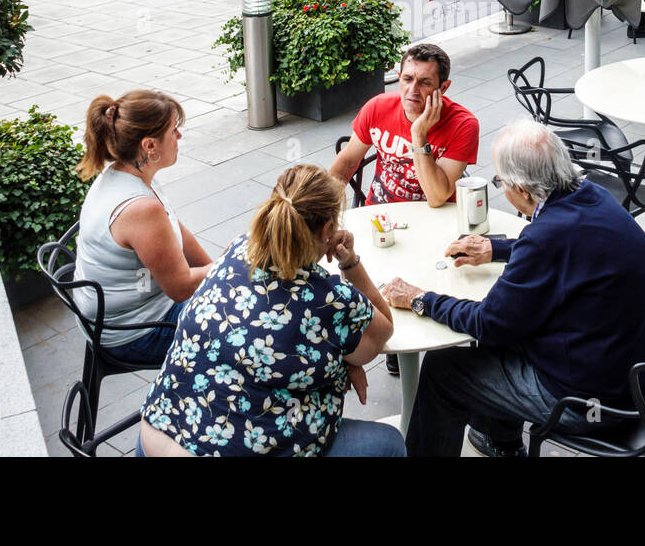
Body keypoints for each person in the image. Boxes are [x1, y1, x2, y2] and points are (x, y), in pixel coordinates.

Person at [380, 120, 645, 457]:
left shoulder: (546, 237)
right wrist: (496, 249)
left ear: (522, 189)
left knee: (445, 370)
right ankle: (502, 442)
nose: (502, 188)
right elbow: (569, 251)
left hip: (589, 401)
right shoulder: (594, 197)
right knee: (518, 325)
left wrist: (419, 299)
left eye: (500, 181)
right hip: (633, 373)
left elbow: (489, 322)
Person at [136, 164, 402, 456]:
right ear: (328, 230)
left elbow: (268, 333)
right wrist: (350, 262)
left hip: (156, 433)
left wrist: (339, 356)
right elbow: (382, 330)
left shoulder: (239, 248)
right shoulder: (329, 298)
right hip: (220, 448)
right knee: (389, 443)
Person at [73, 90, 213, 366]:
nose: (179, 137)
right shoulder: (139, 208)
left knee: (236, 294)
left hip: (120, 315)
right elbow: (181, 288)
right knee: (245, 324)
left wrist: (215, 271)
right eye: (174, 131)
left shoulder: (125, 173)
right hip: (133, 335)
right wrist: (235, 263)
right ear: (150, 146)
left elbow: (174, 228)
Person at [331, 43, 479, 208]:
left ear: (443, 87)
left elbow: (437, 197)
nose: (413, 89)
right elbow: (348, 163)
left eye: (425, 82)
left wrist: (419, 134)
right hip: (380, 213)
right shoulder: (377, 107)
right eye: (407, 79)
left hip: (435, 217)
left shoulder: (463, 125)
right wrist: (319, 212)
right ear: (400, 77)